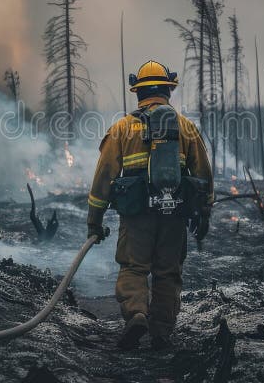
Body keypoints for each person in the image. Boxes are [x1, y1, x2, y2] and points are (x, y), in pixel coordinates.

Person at [87, 60, 214, 351]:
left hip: (136, 215)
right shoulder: (186, 128)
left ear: (138, 93)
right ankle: (161, 333)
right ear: (169, 90)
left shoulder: (122, 129)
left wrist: (94, 220)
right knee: (168, 272)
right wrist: (204, 212)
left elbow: (103, 177)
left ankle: (137, 314)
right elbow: (203, 174)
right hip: (175, 213)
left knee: (133, 267)